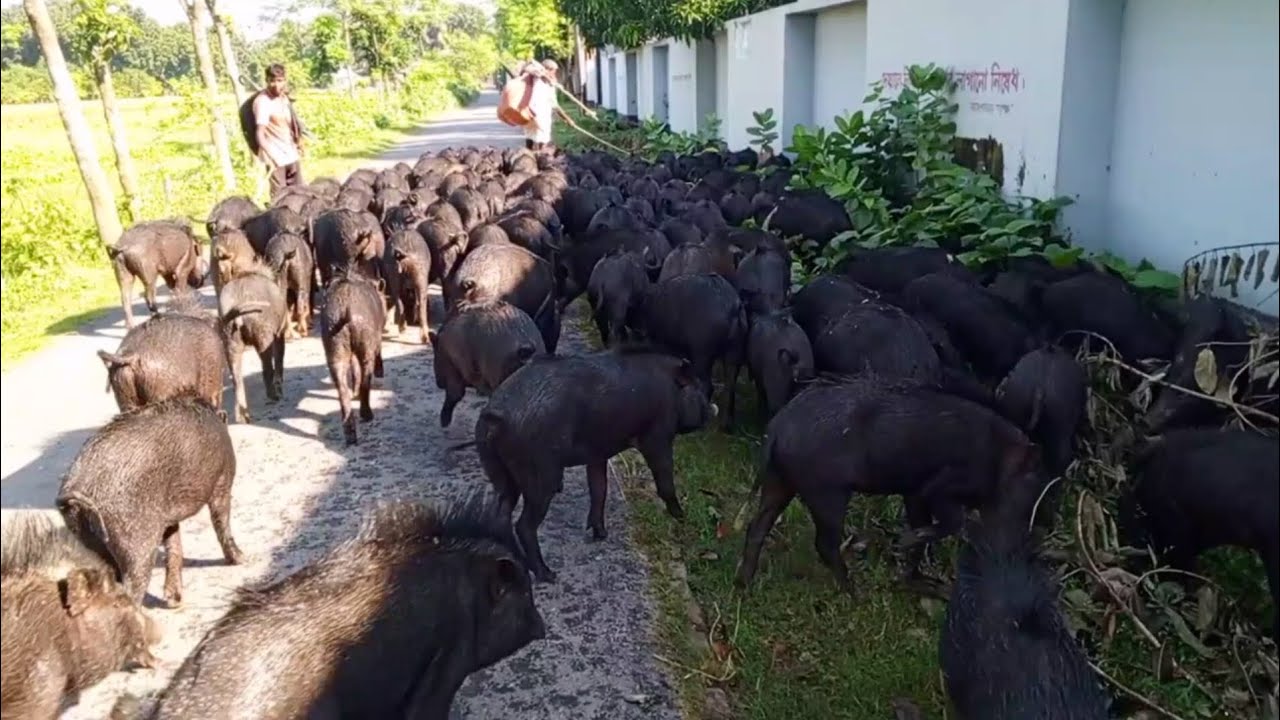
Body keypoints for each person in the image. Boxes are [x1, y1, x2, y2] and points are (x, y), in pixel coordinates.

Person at [253, 64, 305, 196]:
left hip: (291, 153)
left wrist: (299, 141)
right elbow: (260, 134)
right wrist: (272, 157)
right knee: (279, 199)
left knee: (300, 195)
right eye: (272, 81)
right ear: (266, 80)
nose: (275, 85)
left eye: (279, 80)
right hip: (276, 158)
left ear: (285, 80)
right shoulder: (263, 102)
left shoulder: (284, 98)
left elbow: (292, 123)